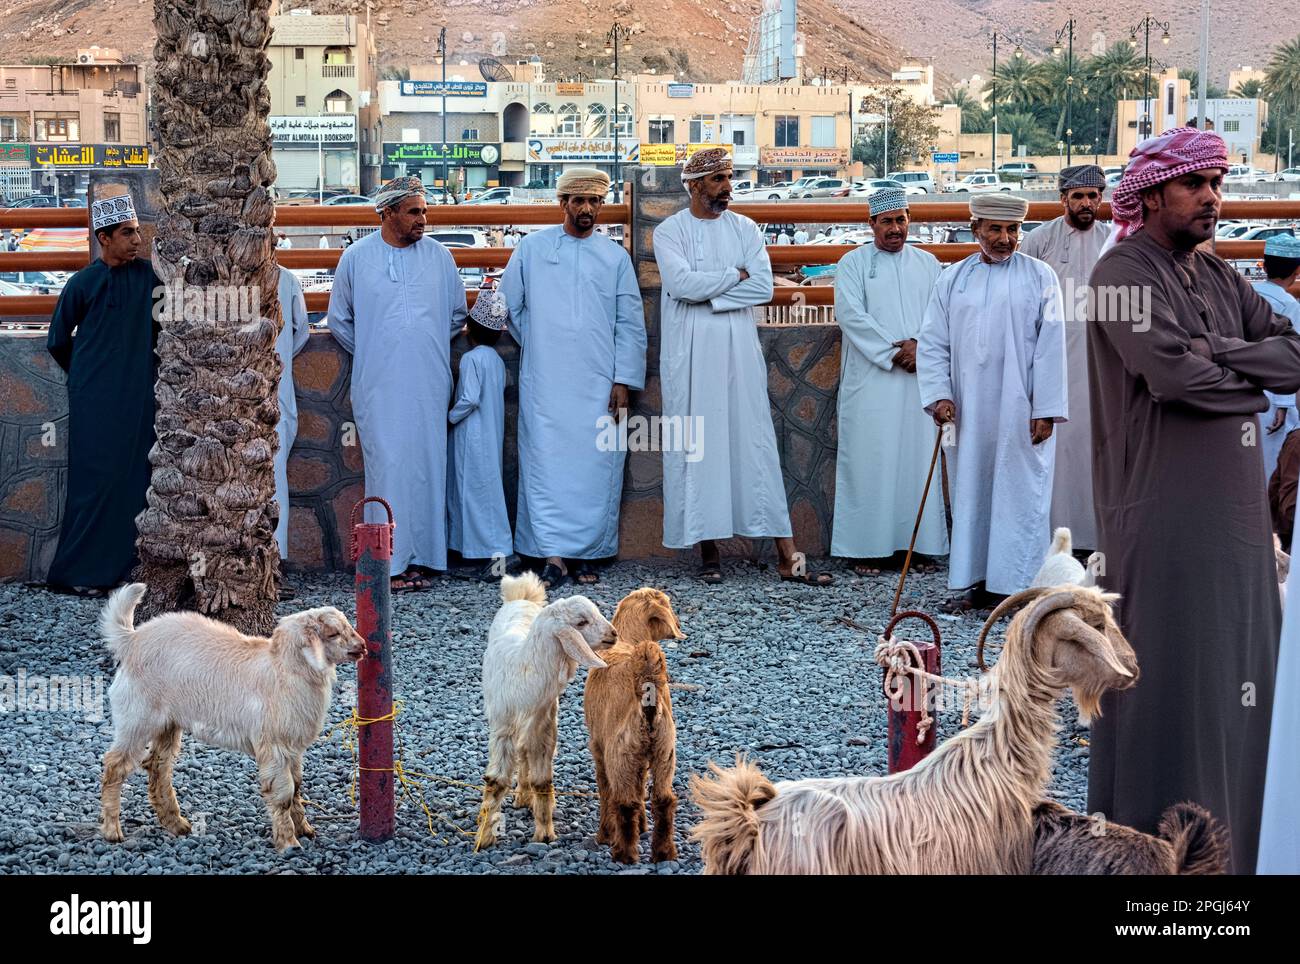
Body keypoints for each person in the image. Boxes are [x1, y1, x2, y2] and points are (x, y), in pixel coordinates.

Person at [1086, 127, 1300, 874]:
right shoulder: (1119, 272)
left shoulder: (1216, 277)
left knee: (1242, 671)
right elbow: (1171, 377)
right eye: (1196, 185)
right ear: (1150, 196)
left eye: (1218, 183)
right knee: (1168, 679)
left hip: (1237, 525)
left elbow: (1294, 355)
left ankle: (1241, 848)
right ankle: (1153, 856)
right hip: (1160, 517)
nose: (1213, 197)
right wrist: (1242, 373)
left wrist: (1215, 356)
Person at [653, 147, 832, 586]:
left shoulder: (745, 228)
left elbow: (764, 288)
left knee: (753, 444)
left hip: (738, 352)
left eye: (728, 178)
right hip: (691, 356)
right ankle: (708, 552)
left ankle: (786, 553)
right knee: (700, 448)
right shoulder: (669, 232)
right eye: (717, 180)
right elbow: (679, 284)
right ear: (694, 186)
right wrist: (734, 277)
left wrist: (710, 294)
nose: (727, 187)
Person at [916, 192, 1067, 610]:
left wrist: (1047, 409)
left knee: (1020, 495)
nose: (1005, 238)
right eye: (996, 229)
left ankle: (1020, 590)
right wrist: (939, 395)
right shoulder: (953, 278)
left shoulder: (1040, 276)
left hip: (1022, 409)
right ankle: (978, 584)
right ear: (975, 230)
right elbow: (933, 342)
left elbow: (1052, 347)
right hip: (968, 410)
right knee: (973, 492)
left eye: (1013, 230)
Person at [498, 167, 646, 587]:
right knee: (545, 463)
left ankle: (587, 554)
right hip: (545, 380)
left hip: (599, 382)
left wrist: (622, 380)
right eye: (577, 201)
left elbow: (629, 324)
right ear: (562, 203)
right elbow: (512, 306)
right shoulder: (532, 249)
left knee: (595, 465)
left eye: (594, 202)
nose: (586, 209)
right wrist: (543, 343)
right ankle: (553, 555)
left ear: (601, 205)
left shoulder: (614, 257)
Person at [328, 175, 467, 592]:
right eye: (414, 212)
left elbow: (457, 314)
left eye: (425, 211)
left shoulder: (441, 257)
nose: (423, 218)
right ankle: (387, 562)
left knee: (427, 467)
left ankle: (424, 557)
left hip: (428, 380)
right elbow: (339, 320)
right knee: (387, 467)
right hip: (379, 383)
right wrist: (378, 348)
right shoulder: (356, 257)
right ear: (387, 213)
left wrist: (419, 347)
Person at [45, 193, 159, 597]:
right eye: (127, 233)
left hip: (139, 399)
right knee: (93, 481)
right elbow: (58, 340)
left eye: (138, 232)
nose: (136, 240)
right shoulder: (83, 283)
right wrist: (88, 377)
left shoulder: (150, 278)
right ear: (104, 237)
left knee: (134, 480)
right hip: (94, 401)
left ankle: (125, 573)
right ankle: (79, 571)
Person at [831, 187, 947, 573]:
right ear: (872, 225)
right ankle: (867, 550)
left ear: (909, 219)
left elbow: (940, 317)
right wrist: (894, 352)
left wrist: (922, 348)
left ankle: (915, 548)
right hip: (872, 380)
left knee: (914, 462)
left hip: (919, 379)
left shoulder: (929, 264)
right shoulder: (852, 263)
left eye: (901, 220)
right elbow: (850, 315)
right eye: (887, 222)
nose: (895, 229)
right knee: (871, 461)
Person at [1019, 164, 1112, 550]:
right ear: (1063, 200)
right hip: (1052, 361)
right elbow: (1022, 299)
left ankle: (1096, 539)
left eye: (1093, 196)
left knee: (1097, 447)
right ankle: (1051, 538)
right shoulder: (1039, 241)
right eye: (1078, 197)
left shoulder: (1113, 240)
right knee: (1057, 451)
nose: (1087, 203)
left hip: (1101, 362)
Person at [447, 288, 513, 580]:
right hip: (491, 435)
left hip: (471, 438)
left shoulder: (472, 359)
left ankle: (495, 557)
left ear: (470, 328)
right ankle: (482, 556)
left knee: (473, 495)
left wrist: (449, 418)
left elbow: (470, 398)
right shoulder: (497, 361)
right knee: (486, 495)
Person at [271, 267, 310, 594]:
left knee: (274, 478)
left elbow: (300, 333)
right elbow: (303, 334)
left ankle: (273, 566)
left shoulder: (287, 280)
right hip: (275, 389)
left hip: (275, 392)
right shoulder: (286, 279)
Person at [1252, 234, 1300, 481]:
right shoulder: (1290, 305)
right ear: (1296, 270)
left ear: (1264, 264)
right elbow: (1290, 357)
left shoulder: (1247, 294)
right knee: (1273, 464)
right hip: (1274, 395)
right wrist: (1284, 404)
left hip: (1243, 386)